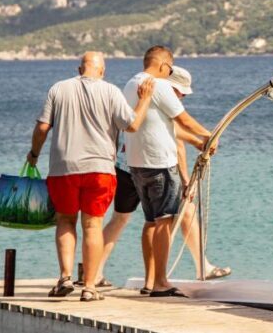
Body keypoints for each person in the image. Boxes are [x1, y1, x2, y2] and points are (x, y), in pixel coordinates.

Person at [26, 51, 154, 302]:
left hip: (63, 168)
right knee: (93, 225)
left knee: (65, 221)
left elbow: (42, 127)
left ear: (78, 69)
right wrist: (144, 100)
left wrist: (33, 154)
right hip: (100, 170)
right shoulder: (111, 91)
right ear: (102, 71)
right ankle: (89, 287)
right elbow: (133, 125)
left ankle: (64, 277)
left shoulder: (58, 89)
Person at [97, 65, 230, 292]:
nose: (182, 97)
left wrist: (196, 142)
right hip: (152, 167)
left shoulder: (139, 89)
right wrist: (187, 179)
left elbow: (170, 131)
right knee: (175, 215)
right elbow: (175, 143)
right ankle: (193, 270)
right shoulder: (162, 95)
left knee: (120, 220)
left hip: (126, 164)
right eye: (181, 92)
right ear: (171, 86)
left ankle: (94, 271)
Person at [123, 46, 213, 298]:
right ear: (163, 65)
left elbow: (161, 125)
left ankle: (150, 280)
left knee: (151, 222)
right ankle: (161, 281)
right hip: (159, 163)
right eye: (170, 69)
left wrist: (197, 141)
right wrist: (209, 135)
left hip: (136, 163)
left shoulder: (131, 84)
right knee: (164, 222)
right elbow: (183, 119)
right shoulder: (160, 85)